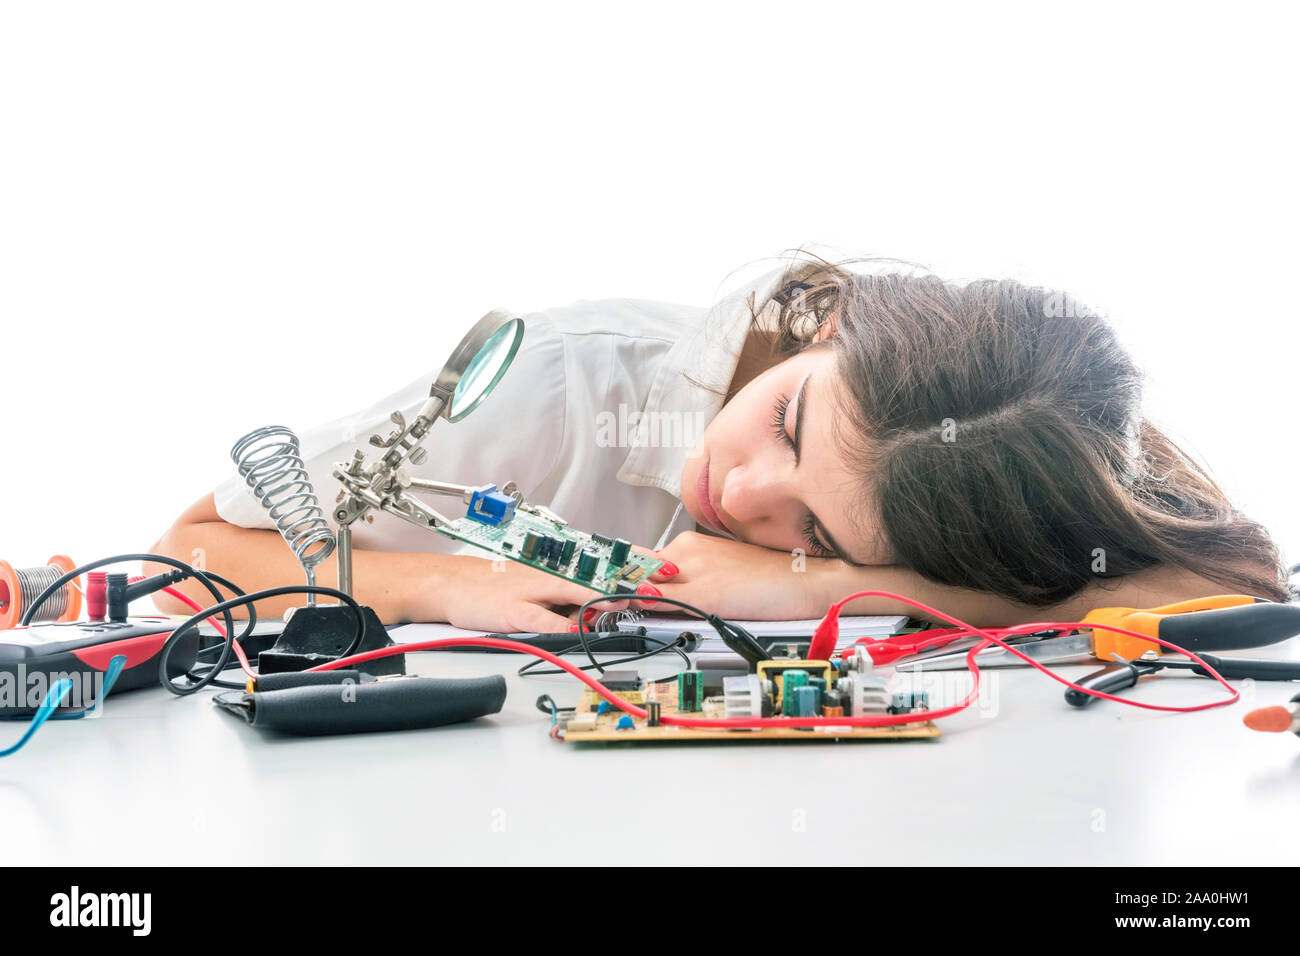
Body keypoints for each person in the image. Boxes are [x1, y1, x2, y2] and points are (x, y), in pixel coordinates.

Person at [150, 255, 1288, 633]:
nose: (743, 489)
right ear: (831, 324)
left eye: (817, 518)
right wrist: (447, 583)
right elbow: (194, 548)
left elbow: (1236, 590)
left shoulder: (970, 455)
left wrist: (836, 584)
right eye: (788, 420)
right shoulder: (555, 381)